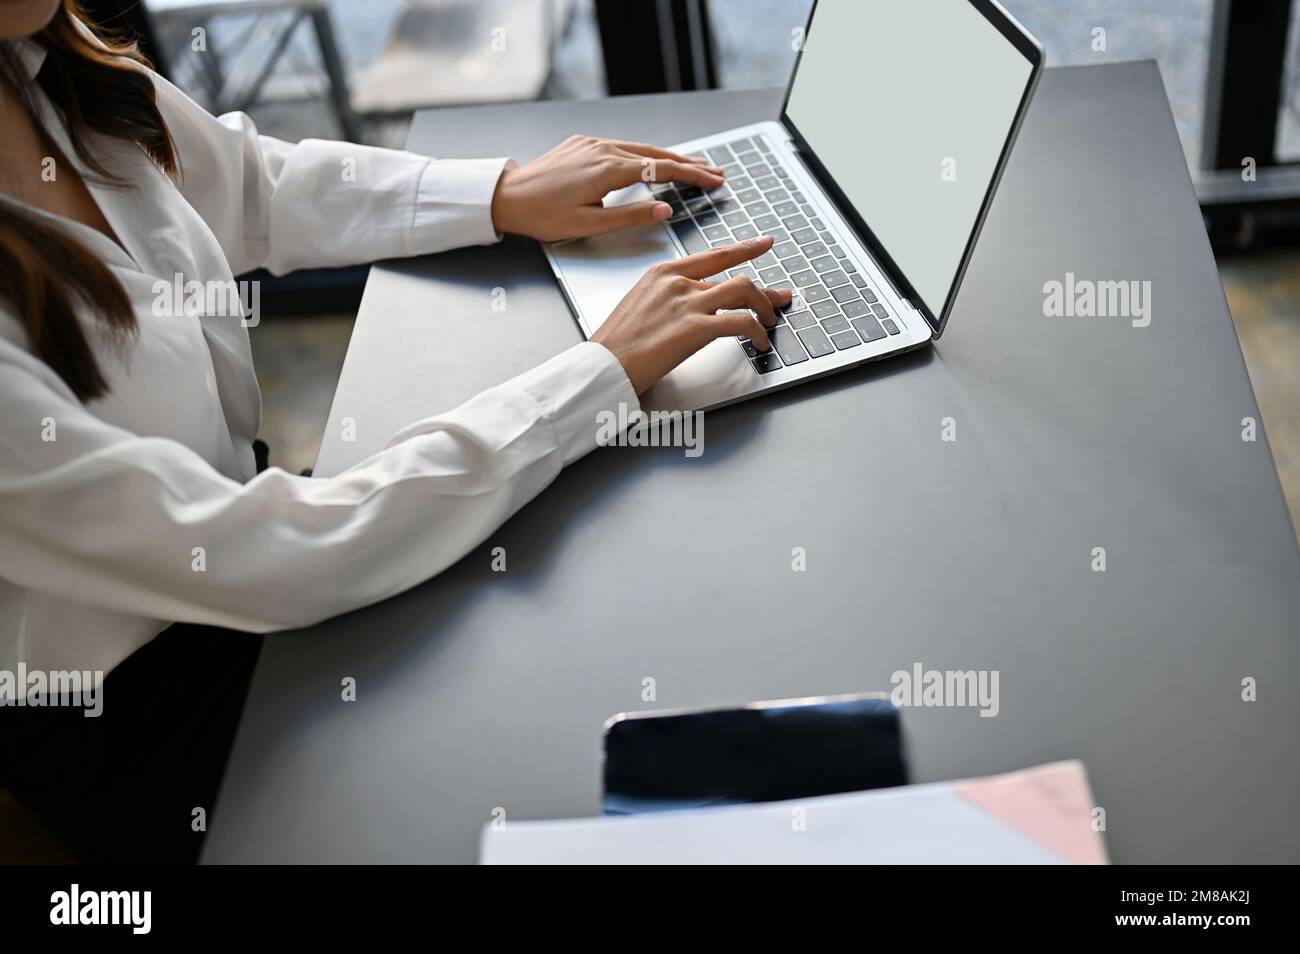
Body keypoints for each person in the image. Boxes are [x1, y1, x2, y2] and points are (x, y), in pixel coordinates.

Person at [0, 0, 786, 862]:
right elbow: (270, 560)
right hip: (160, 724)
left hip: (268, 574)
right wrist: (595, 377)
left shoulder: (39, 61)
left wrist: (499, 194)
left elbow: (249, 186)